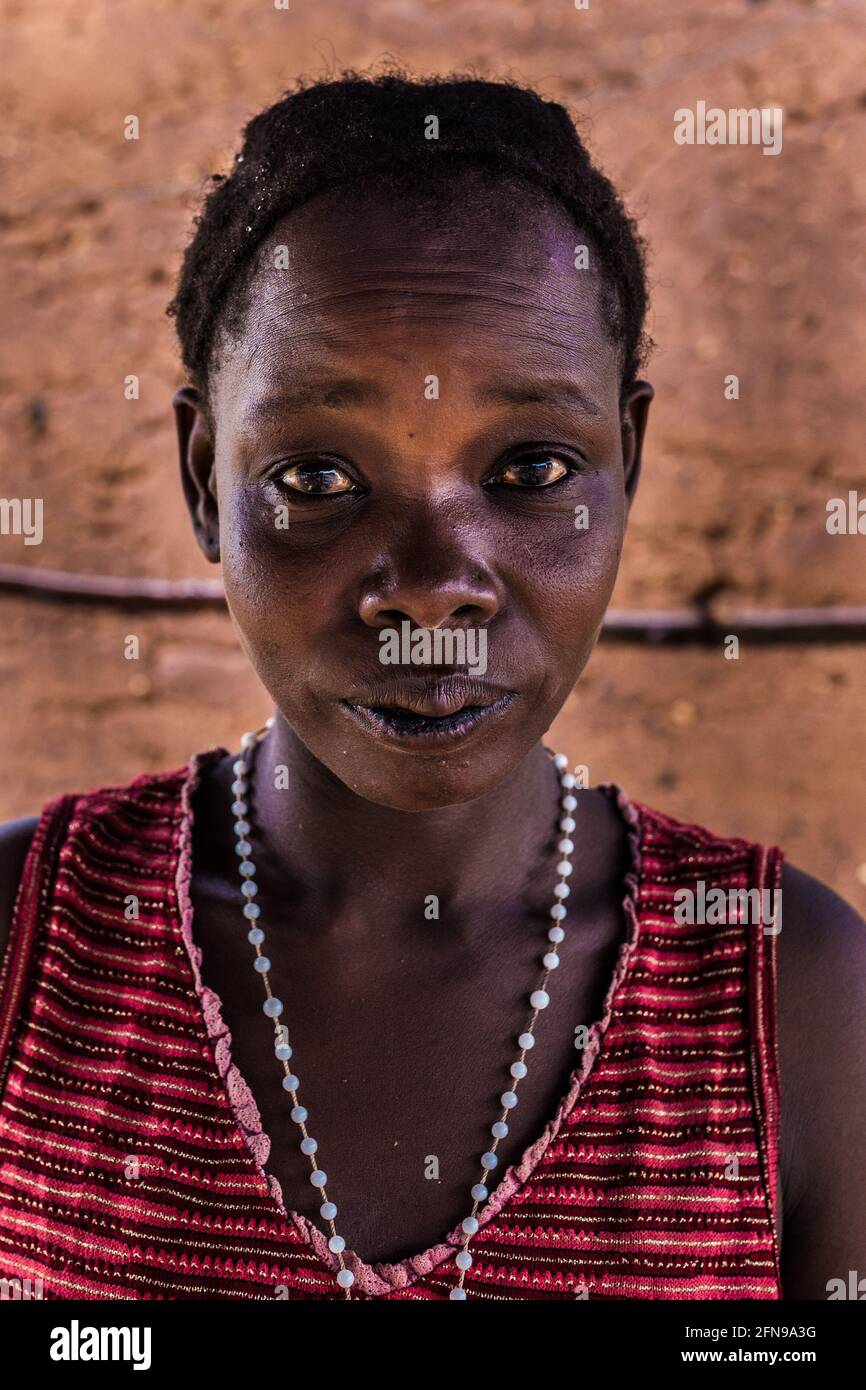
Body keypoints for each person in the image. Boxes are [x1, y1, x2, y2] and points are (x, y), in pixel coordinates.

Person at [0, 69, 864, 1302]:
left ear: (629, 461)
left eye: (530, 466)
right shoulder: (28, 946)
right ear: (203, 480)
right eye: (316, 479)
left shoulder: (790, 995)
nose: (429, 587)